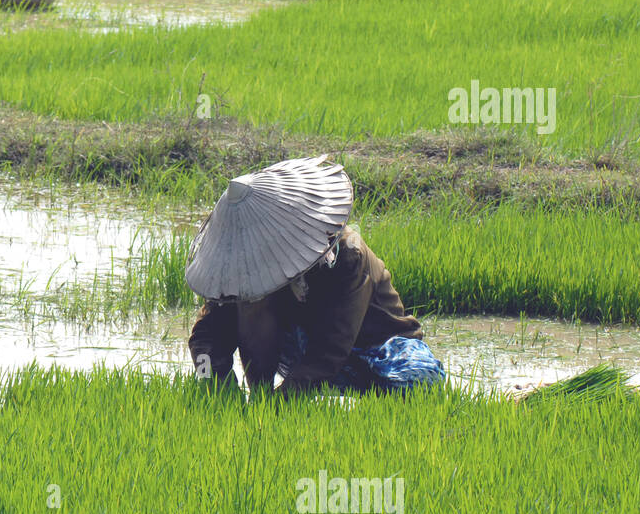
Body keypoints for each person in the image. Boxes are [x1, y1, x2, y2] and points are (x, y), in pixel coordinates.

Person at [185, 156, 445, 396]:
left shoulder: (346, 255)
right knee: (250, 304)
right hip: (300, 347)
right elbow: (205, 337)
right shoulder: (241, 269)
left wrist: (286, 398)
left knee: (419, 380)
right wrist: (218, 386)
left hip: (370, 346)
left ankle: (284, 398)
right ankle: (261, 394)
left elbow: (333, 345)